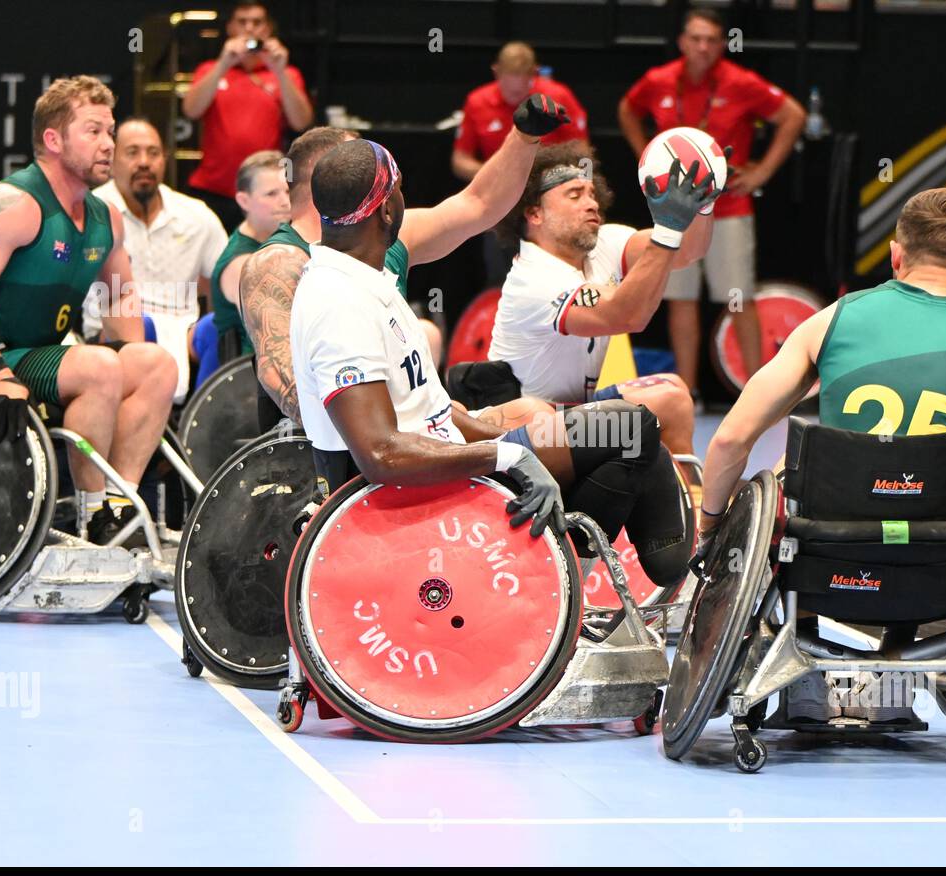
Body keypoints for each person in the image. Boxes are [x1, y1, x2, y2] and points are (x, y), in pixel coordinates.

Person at [696, 188, 946, 722]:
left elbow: (728, 441)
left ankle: (805, 688)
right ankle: (894, 682)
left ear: (895, 254)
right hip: (942, 577)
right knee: (925, 502)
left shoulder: (832, 322)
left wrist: (712, 524)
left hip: (826, 566)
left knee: (791, 484)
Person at [290, 138, 693, 586]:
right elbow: (380, 454)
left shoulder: (369, 279)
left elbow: (433, 417)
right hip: (424, 488)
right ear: (387, 211)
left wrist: (510, 439)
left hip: (451, 452)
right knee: (630, 430)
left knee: (630, 428)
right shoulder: (338, 301)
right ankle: (570, 585)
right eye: (401, 189)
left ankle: (590, 580)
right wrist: (509, 454)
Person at [239, 92, 572, 432]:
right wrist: (418, 429)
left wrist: (524, 136)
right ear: (330, 179)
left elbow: (479, 205)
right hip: (331, 449)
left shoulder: (385, 235)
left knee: (536, 417)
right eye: (363, 160)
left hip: (405, 426)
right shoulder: (277, 263)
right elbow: (292, 386)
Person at [0, 76, 177, 543]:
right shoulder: (14, 205)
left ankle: (119, 505)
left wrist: (131, 364)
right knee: (99, 366)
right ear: (53, 139)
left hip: (37, 358)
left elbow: (120, 295)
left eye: (110, 131)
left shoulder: (104, 217)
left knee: (155, 364)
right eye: (93, 132)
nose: (108, 144)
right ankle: (91, 517)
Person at [618, 7, 806, 395]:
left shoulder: (741, 82)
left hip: (729, 208)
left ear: (722, 44)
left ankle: (757, 394)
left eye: (711, 40)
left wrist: (762, 172)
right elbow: (627, 109)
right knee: (680, 301)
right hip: (674, 210)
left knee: (739, 299)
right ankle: (684, 393)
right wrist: (646, 156)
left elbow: (793, 115)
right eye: (696, 39)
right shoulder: (659, 80)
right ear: (683, 41)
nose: (703, 47)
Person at [488, 143, 717, 456]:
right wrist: (668, 229)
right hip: (527, 431)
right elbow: (627, 316)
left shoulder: (604, 243)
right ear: (534, 213)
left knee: (673, 389)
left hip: (570, 414)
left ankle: (685, 496)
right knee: (668, 403)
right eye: (574, 195)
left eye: (591, 193)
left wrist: (701, 205)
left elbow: (687, 252)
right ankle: (684, 499)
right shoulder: (533, 278)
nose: (591, 203)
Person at [85, 117, 228, 403]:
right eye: (132, 152)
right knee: (140, 324)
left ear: (164, 160)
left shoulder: (195, 214)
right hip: (109, 329)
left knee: (216, 326)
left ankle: (203, 427)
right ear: (111, 160)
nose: (144, 162)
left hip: (182, 328)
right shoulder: (91, 211)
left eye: (153, 153)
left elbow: (223, 280)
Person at [452, 41, 589, 286]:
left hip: (548, 200)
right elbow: (459, 161)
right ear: (496, 72)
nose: (514, 98)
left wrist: (556, 181)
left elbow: (583, 152)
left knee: (559, 276)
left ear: (534, 74)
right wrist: (499, 173)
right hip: (497, 206)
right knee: (499, 279)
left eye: (521, 92)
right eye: (509, 92)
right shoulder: (477, 101)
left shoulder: (557, 97)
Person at [181, 2, 313, 231]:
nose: (249, 29)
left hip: (266, 192)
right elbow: (191, 110)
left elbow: (301, 122)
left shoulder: (287, 73)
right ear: (230, 28)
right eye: (242, 22)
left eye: (257, 22)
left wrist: (279, 70)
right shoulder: (209, 69)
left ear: (269, 29)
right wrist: (224, 63)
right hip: (213, 189)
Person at [210, 150, 291, 362]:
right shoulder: (240, 264)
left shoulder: (284, 241)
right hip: (249, 382)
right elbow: (276, 336)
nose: (284, 201)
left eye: (288, 191)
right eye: (271, 194)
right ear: (244, 201)